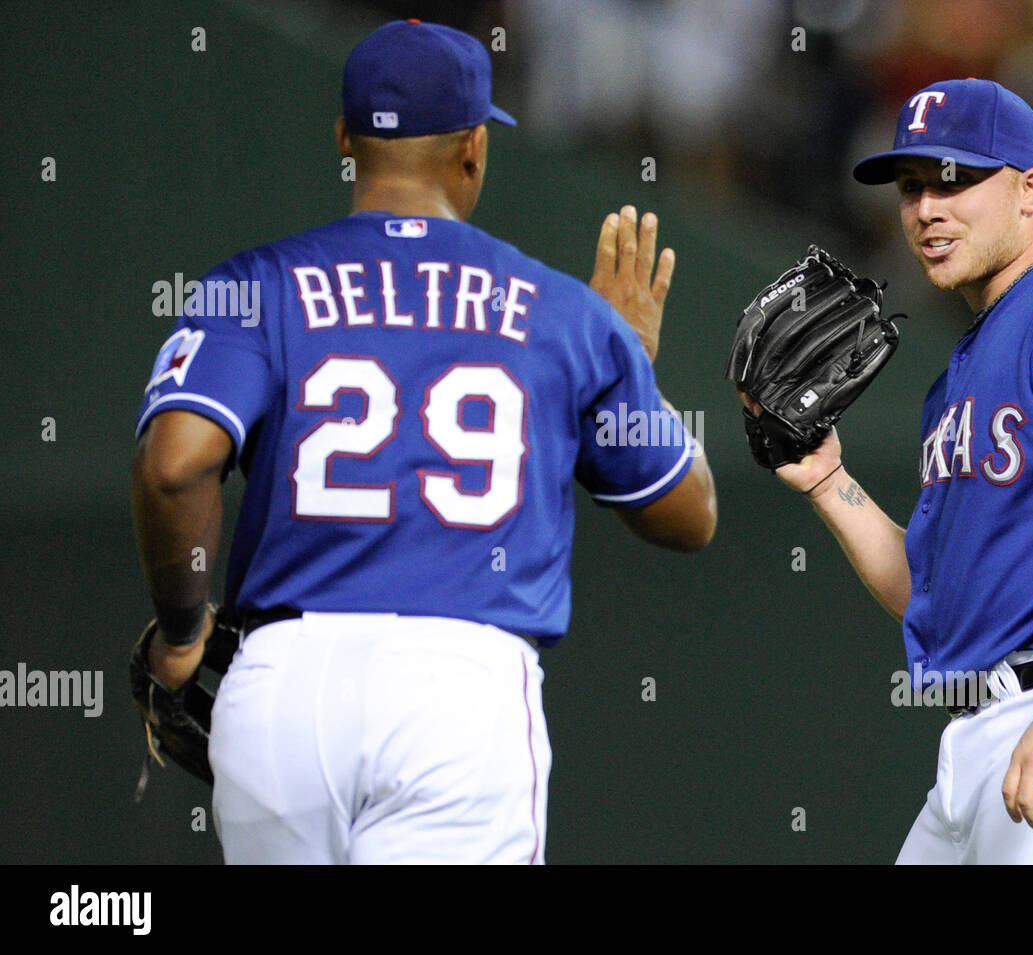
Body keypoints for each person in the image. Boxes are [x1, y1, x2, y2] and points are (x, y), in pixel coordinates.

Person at [130, 19, 716, 865]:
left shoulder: (255, 284)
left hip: (282, 689)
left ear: (345, 138)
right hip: (459, 692)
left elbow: (176, 463)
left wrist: (184, 632)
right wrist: (629, 365)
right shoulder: (564, 314)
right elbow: (688, 514)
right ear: (474, 148)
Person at [750, 78, 1033, 863]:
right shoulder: (961, 370)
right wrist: (832, 483)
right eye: (911, 187)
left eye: (956, 179)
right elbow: (936, 592)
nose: (927, 207)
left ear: (1032, 190)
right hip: (984, 733)